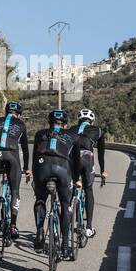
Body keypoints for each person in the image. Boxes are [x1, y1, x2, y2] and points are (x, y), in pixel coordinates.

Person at [31, 108, 79, 252]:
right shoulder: (73, 135)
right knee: (65, 204)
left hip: (42, 167)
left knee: (40, 199)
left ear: (49, 123)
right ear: (65, 124)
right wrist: (76, 180)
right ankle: (65, 244)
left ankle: (40, 232)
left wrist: (35, 178)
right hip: (62, 168)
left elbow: (34, 159)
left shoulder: (40, 134)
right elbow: (77, 162)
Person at [0, 100, 30, 238]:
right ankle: (13, 225)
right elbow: (25, 149)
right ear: (19, 114)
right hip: (12, 156)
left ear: (6, 112)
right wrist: (26, 168)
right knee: (15, 190)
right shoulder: (21, 124)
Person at [71, 107, 107, 238]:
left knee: (71, 187)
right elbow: (101, 153)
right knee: (88, 189)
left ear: (79, 120)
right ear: (92, 121)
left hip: (72, 159)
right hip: (87, 158)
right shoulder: (98, 130)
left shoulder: (71, 129)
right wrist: (103, 171)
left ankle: (68, 219)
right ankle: (89, 227)